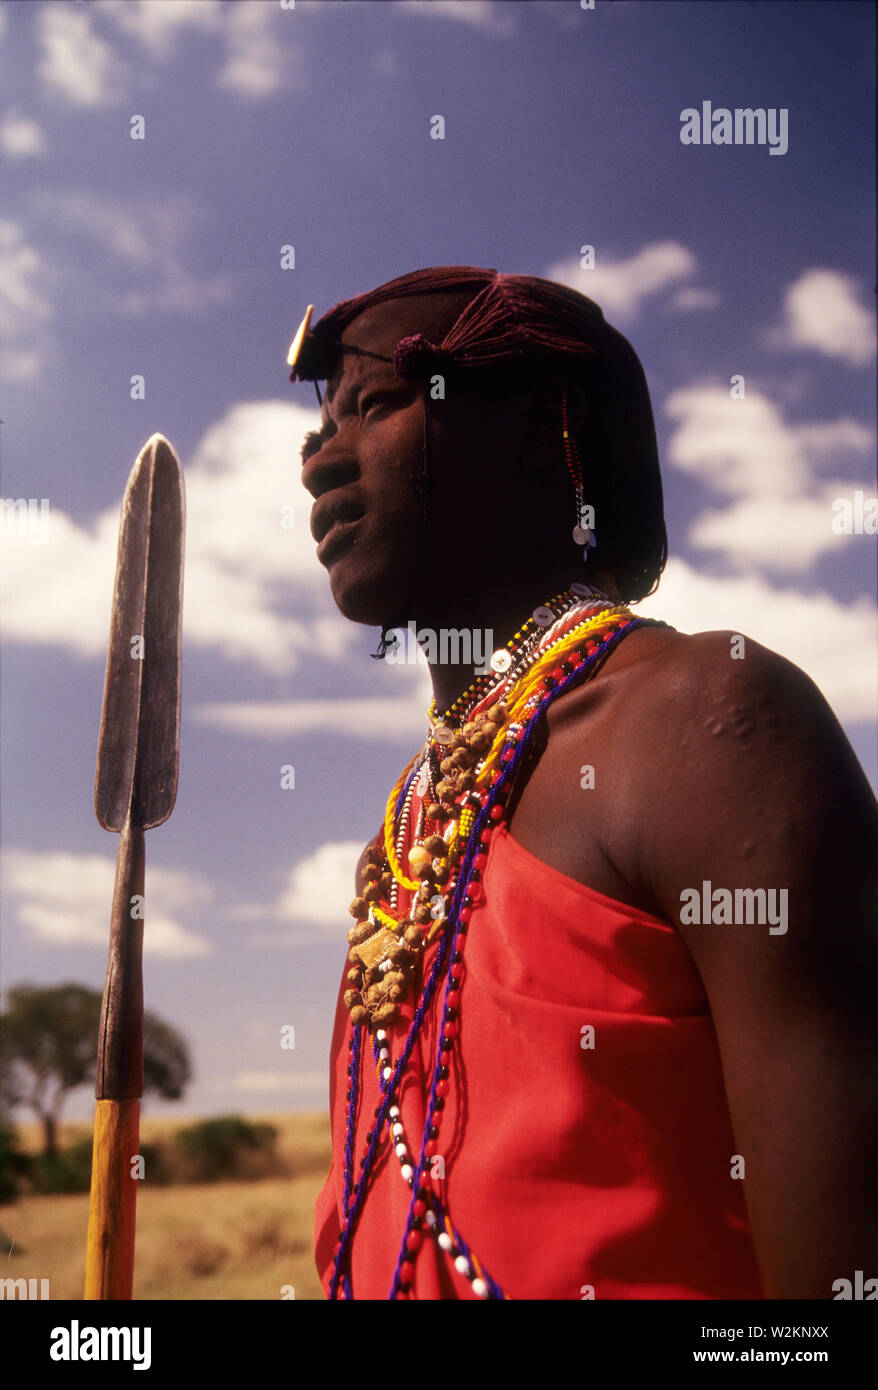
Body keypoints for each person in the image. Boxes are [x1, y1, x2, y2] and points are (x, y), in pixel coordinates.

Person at [289, 266, 878, 1300]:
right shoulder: (407, 832)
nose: (318, 465)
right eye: (314, 431)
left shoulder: (708, 724)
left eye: (373, 405)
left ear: (534, 424)